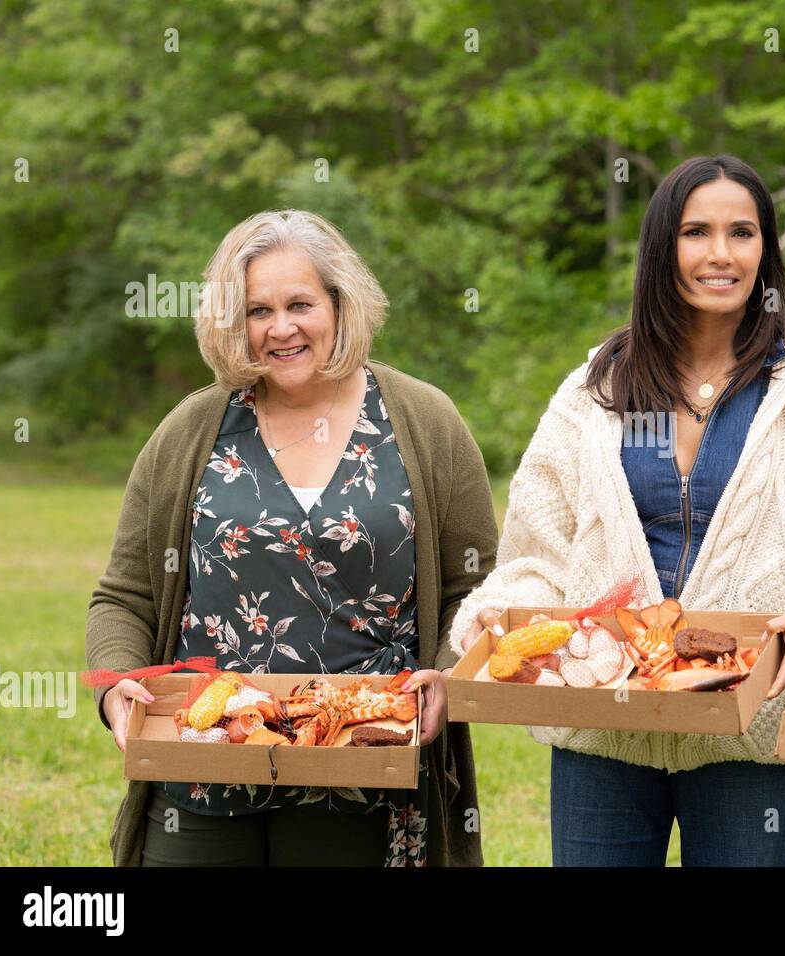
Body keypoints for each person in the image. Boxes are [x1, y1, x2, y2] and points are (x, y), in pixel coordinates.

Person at [450, 155, 785, 866]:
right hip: (604, 727)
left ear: (765, 249)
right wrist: (505, 618)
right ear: (664, 249)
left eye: (741, 233)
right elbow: (538, 553)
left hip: (751, 733)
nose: (721, 254)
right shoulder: (597, 389)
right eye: (697, 232)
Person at [86, 209, 496, 866]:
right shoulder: (194, 429)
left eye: (300, 303)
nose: (281, 328)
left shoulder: (424, 421)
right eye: (258, 310)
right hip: (203, 771)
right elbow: (125, 593)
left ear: (340, 303)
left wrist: (448, 675)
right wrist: (118, 688)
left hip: (366, 771)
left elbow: (475, 586)